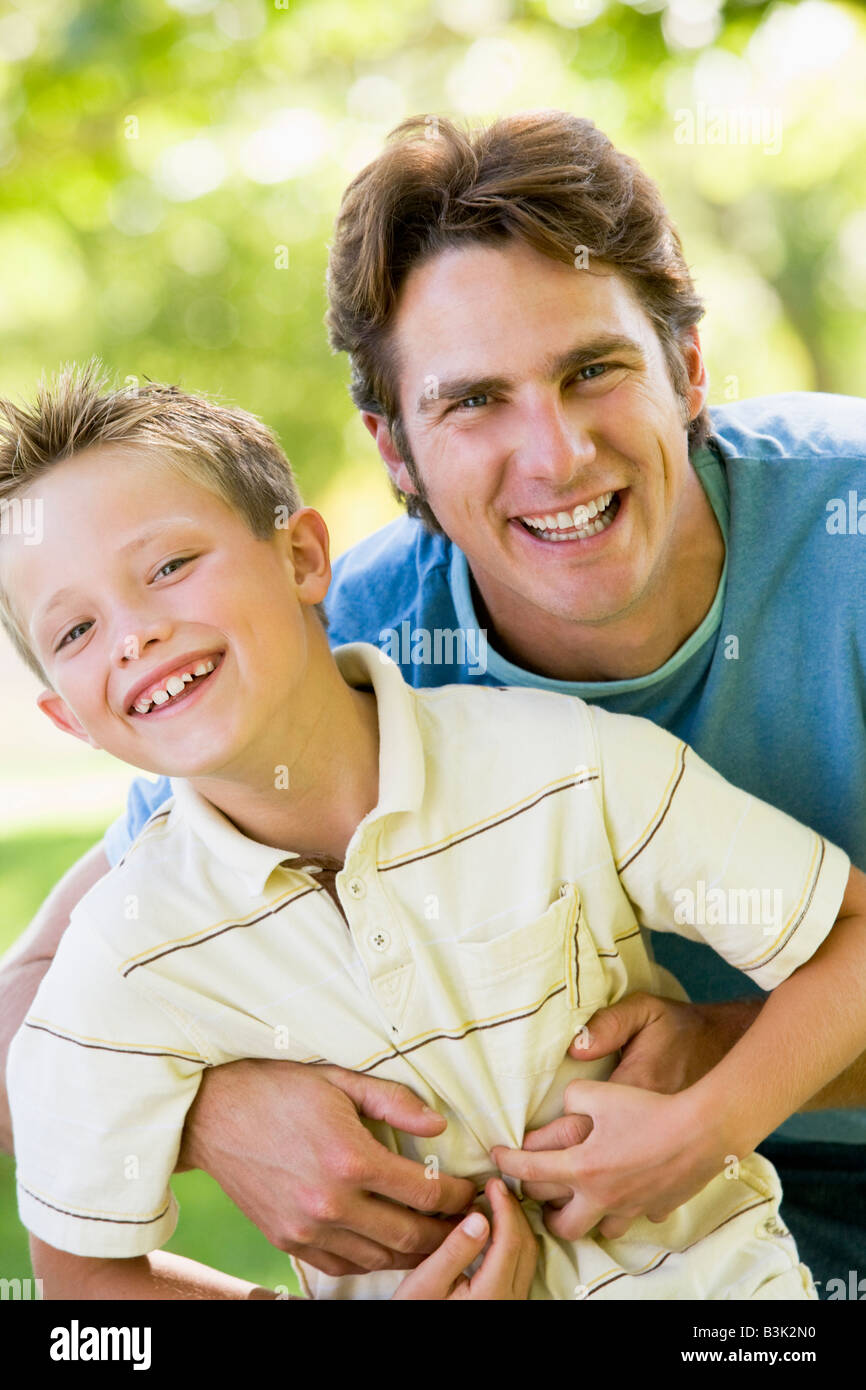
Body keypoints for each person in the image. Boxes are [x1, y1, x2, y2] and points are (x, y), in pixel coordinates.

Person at [2, 110, 865, 1289]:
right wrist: (212, 1111)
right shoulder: (324, 648)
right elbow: (37, 1018)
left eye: (592, 368)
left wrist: (721, 1071)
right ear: (393, 449)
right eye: (472, 402)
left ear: (687, 370)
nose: (553, 453)